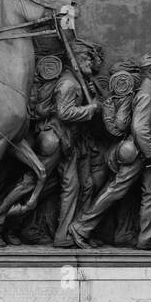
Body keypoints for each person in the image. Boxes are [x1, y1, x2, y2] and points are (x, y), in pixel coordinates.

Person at [69, 52, 151, 250]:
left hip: (146, 153)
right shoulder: (146, 93)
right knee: (115, 191)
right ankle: (81, 227)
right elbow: (139, 128)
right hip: (139, 153)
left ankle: (147, 238)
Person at [50, 41, 102, 247]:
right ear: (77, 60)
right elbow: (63, 112)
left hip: (79, 142)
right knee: (71, 187)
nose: (90, 62)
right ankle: (62, 236)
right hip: (65, 140)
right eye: (87, 58)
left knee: (87, 185)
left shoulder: (80, 81)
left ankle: (79, 231)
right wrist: (90, 109)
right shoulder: (68, 83)